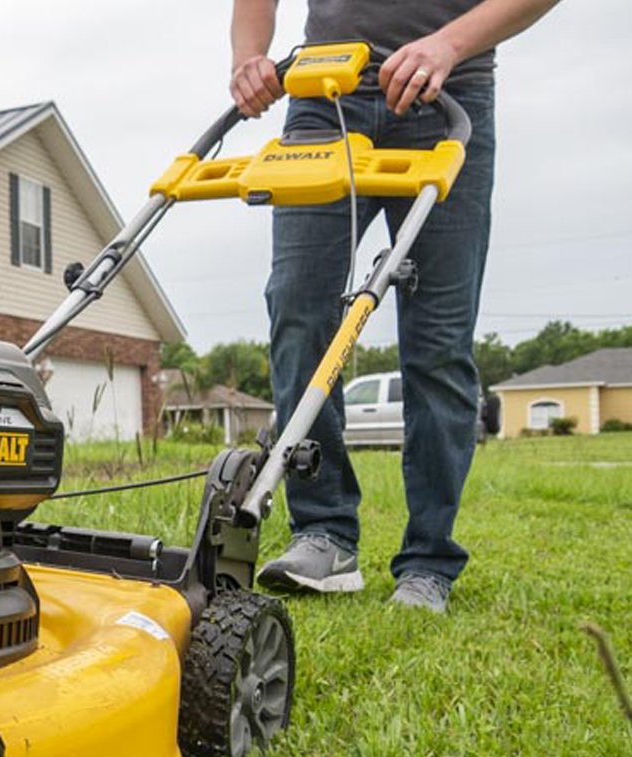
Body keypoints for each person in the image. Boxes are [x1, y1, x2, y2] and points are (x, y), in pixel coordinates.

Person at [229, 0, 561, 613]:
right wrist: (249, 57)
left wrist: (450, 44)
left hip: (447, 92)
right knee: (298, 307)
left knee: (438, 340)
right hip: (322, 96)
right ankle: (324, 533)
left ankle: (428, 561)